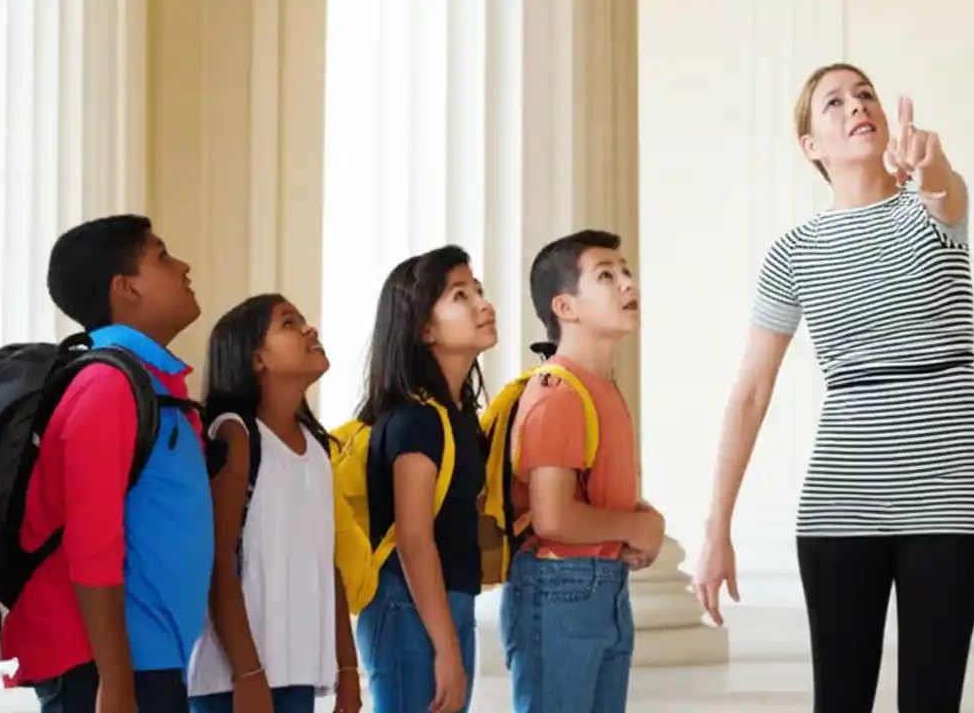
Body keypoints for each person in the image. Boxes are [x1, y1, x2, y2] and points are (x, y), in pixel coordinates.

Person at [693, 63, 974, 713]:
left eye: (865, 95)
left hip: (949, 497)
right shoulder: (792, 254)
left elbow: (943, 188)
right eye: (834, 102)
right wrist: (718, 527)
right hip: (839, 505)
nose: (857, 106)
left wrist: (931, 164)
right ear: (811, 145)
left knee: (931, 700)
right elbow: (750, 392)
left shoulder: (933, 210)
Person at [0, 215, 214, 713]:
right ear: (126, 287)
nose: (183, 266)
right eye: (162, 256)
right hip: (102, 667)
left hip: (150, 659)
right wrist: (116, 683)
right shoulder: (108, 384)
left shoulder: (154, 385)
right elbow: (90, 543)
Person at [498, 230, 665, 713]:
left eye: (626, 272)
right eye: (606, 276)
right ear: (565, 307)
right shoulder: (559, 394)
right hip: (559, 588)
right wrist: (637, 527)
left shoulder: (601, 388)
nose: (628, 284)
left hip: (602, 584)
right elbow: (553, 518)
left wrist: (642, 520)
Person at [187, 294, 362, 713]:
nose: (309, 329)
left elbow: (327, 565)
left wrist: (348, 667)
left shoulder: (317, 447)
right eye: (288, 323)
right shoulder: (236, 435)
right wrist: (248, 673)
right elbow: (218, 560)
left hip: (296, 674)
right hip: (232, 681)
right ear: (257, 359)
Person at [352, 245, 497, 713]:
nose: (482, 304)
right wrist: (447, 648)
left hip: (444, 602)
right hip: (407, 606)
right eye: (460, 295)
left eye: (478, 290)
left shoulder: (458, 417)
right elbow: (414, 541)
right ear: (424, 329)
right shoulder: (416, 420)